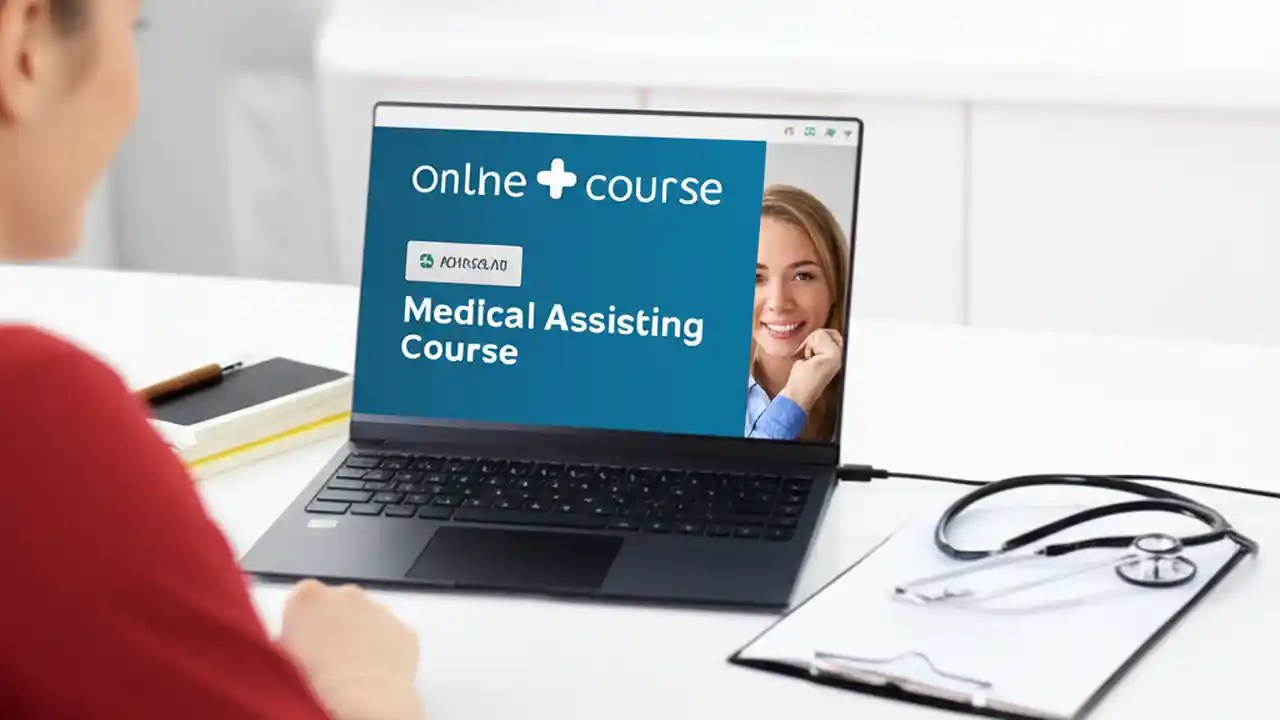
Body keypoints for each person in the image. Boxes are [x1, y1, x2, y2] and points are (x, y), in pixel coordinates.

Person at [0, 1, 424, 718]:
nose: (132, 95)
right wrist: (361, 680)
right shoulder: (31, 418)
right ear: (27, 48)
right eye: (131, 30)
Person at [745, 184, 850, 442]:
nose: (779, 302)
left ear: (834, 285)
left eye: (802, 276)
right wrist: (796, 398)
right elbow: (741, 480)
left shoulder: (868, 396)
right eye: (756, 277)